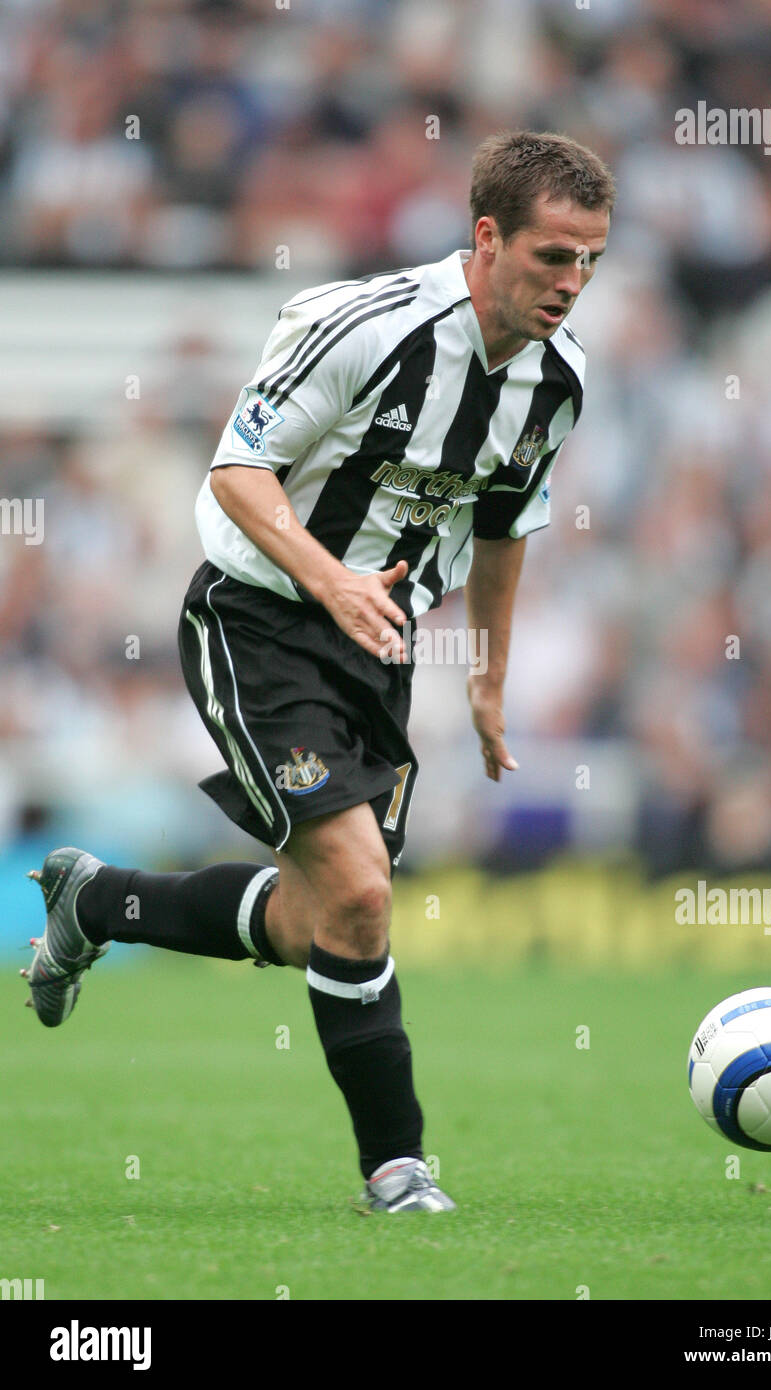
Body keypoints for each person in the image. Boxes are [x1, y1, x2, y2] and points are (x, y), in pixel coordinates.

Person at [22, 130, 613, 1214]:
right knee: (360, 888)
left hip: (375, 652)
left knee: (326, 922)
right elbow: (238, 469)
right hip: (258, 616)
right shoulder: (359, 325)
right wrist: (330, 577)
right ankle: (397, 1169)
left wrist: (485, 680)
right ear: (486, 239)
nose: (570, 285)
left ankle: (95, 899)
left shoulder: (555, 382)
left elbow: (502, 526)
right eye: (550, 257)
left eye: (588, 262)